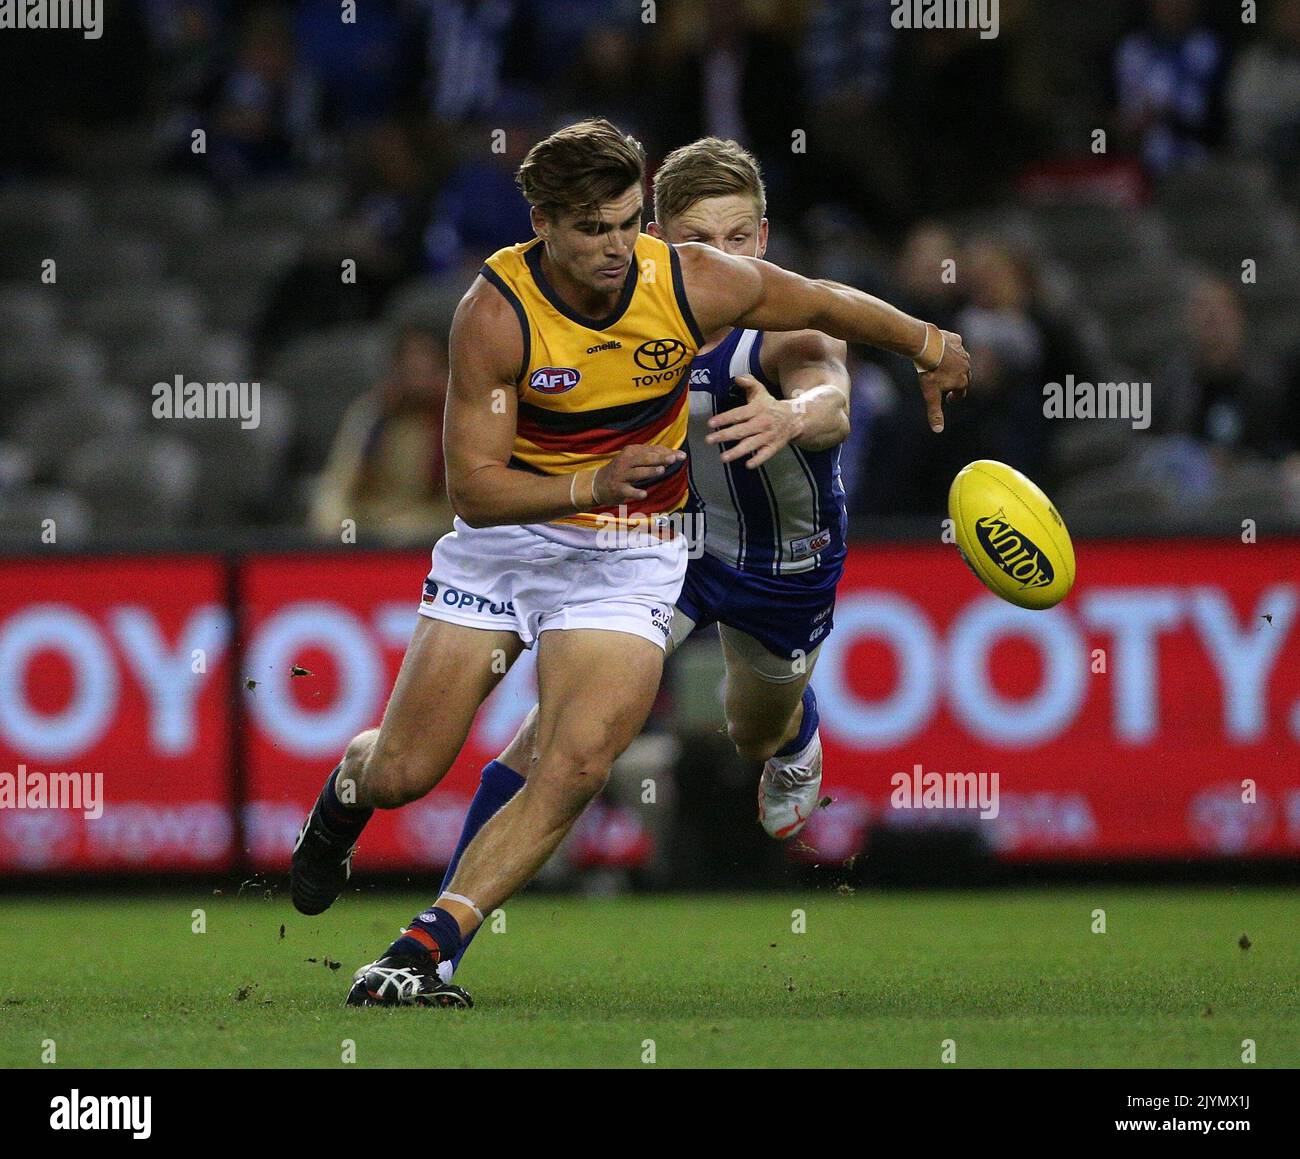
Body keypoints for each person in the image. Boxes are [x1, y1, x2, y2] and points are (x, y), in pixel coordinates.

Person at [288, 118, 969, 1008]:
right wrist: (590, 482)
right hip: (512, 541)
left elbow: (821, 303)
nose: (616, 248)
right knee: (403, 772)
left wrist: (928, 343)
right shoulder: (496, 313)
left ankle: (426, 949)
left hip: (634, 548)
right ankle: (348, 791)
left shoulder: (682, 279)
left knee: (577, 759)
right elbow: (475, 491)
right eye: (591, 229)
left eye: (626, 223)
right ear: (542, 223)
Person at [308, 324, 455, 545]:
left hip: (427, 536)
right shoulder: (371, 414)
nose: (416, 380)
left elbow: (457, 507)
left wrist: (407, 531)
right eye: (408, 369)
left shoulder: (456, 422)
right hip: (367, 531)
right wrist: (334, 525)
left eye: (425, 370)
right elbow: (337, 484)